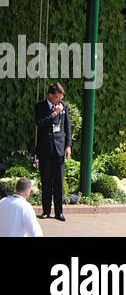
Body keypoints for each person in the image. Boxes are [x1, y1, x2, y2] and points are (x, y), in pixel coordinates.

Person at [34, 82, 71, 222]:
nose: (59, 101)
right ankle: (46, 211)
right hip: (44, 150)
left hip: (59, 149)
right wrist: (54, 114)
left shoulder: (64, 107)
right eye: (57, 98)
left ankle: (59, 213)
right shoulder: (40, 107)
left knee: (58, 181)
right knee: (46, 181)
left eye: (61, 98)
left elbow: (67, 127)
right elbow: (40, 123)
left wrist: (68, 145)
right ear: (50, 96)